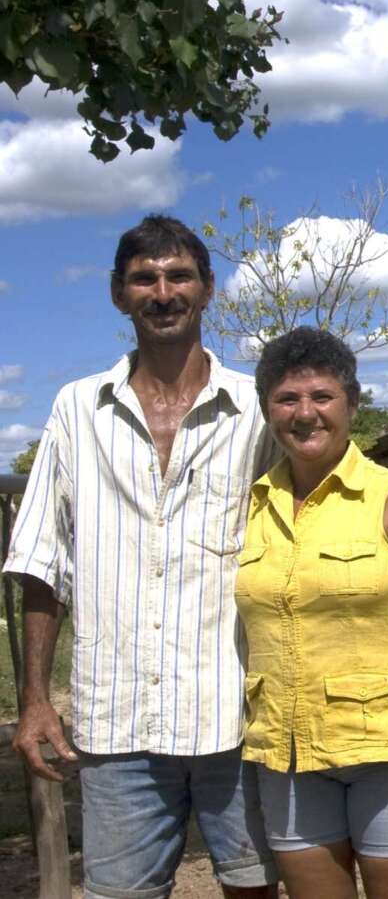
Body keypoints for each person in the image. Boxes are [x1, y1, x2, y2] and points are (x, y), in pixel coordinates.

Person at [6, 216, 281, 898]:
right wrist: (35, 700)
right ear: (118, 294)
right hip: (117, 723)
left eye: (179, 276)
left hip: (236, 715)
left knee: (254, 886)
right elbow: (42, 563)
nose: (163, 292)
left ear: (208, 288)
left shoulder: (257, 410)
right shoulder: (78, 409)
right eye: (144, 279)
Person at [239, 327, 388, 899]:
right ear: (267, 409)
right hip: (288, 758)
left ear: (352, 404)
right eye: (287, 399)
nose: (305, 413)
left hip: (386, 755)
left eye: (322, 396)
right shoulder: (253, 506)